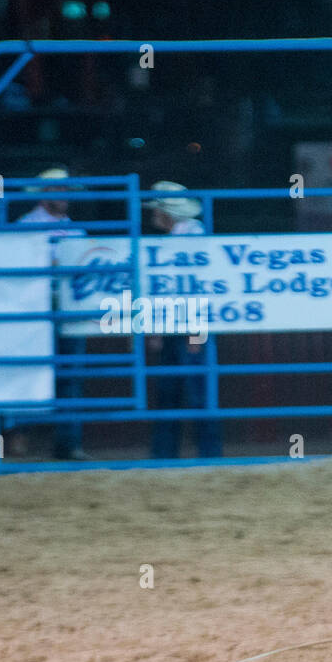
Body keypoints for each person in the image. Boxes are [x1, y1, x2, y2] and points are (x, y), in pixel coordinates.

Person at [145, 181, 222, 459]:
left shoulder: (189, 238)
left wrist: (194, 332)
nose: (153, 214)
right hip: (178, 324)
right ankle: (196, 454)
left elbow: (198, 286)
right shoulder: (186, 237)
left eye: (157, 209)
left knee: (191, 392)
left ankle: (177, 454)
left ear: (167, 212)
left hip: (188, 325)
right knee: (182, 390)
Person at [19, 167, 88, 460]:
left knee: (70, 374)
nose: (65, 196)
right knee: (29, 371)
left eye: (66, 190)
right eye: (60, 190)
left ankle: (68, 443)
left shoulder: (75, 229)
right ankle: (18, 438)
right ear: (46, 193)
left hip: (67, 308)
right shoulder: (26, 225)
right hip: (37, 308)